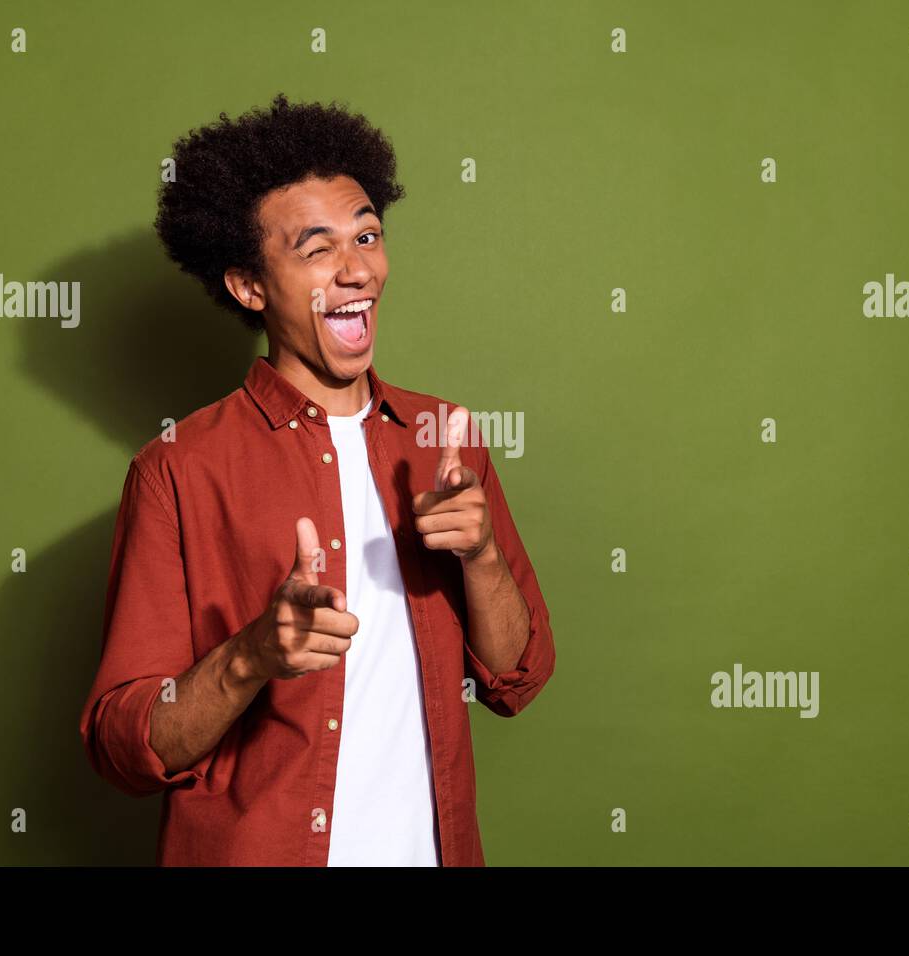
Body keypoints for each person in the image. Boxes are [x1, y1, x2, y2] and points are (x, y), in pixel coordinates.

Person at [78, 93, 556, 866]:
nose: (358, 268)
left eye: (367, 236)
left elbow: (515, 679)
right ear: (248, 286)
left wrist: (483, 557)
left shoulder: (447, 437)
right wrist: (251, 656)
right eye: (317, 248)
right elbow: (122, 745)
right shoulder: (177, 469)